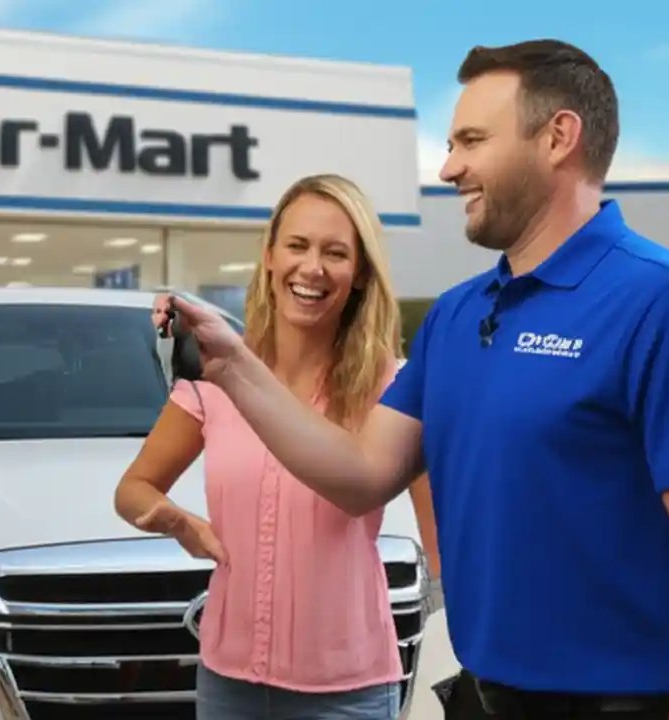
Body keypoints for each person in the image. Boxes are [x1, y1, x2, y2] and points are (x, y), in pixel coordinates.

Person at [166, 39, 669, 720]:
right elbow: (363, 472)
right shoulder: (457, 318)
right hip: (480, 698)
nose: (450, 167)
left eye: (471, 140)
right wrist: (233, 366)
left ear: (558, 137)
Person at [115, 174, 439, 720]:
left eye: (336, 253)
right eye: (297, 245)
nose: (312, 268)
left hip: (350, 691)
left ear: (360, 273)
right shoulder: (216, 377)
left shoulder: (394, 388)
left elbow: (446, 546)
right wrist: (177, 522)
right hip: (228, 683)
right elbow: (132, 489)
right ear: (269, 257)